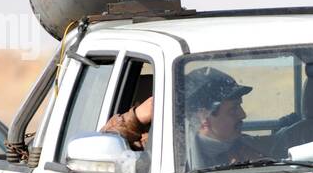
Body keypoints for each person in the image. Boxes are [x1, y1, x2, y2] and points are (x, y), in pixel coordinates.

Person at [102, 68, 262, 166]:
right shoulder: (158, 153)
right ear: (203, 117)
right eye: (233, 109)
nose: (243, 114)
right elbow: (103, 152)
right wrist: (135, 118)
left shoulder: (244, 148)